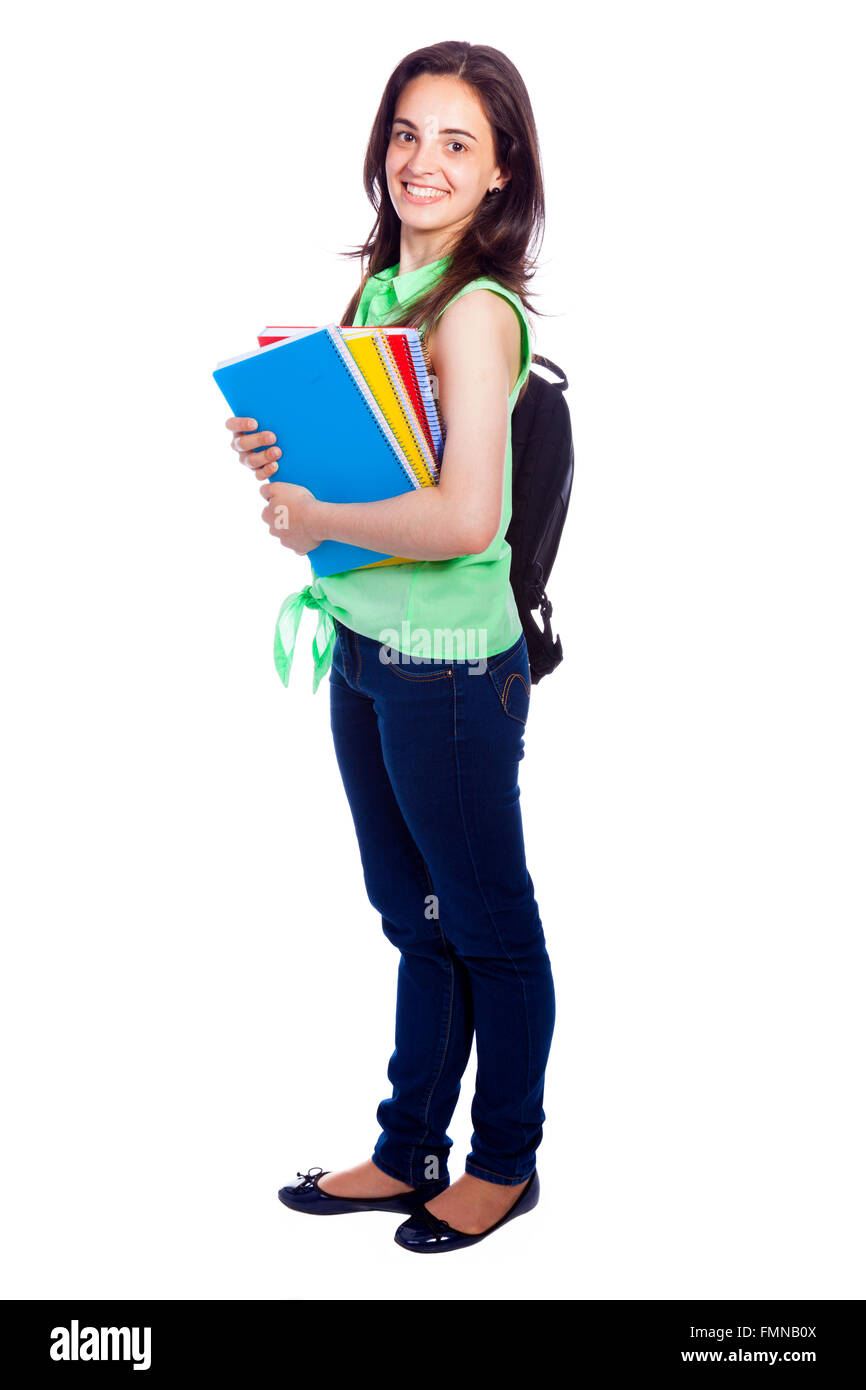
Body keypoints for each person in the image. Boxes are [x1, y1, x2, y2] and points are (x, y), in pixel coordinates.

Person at [225, 40, 556, 1253]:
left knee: (487, 925)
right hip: (366, 653)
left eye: (455, 143)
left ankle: (502, 1164)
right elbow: (377, 489)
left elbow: (467, 517)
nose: (421, 161)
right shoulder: (379, 298)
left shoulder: (474, 311)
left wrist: (319, 518)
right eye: (406, 134)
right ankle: (409, 1144)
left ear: (498, 172)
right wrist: (288, 467)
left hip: (454, 676)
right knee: (413, 917)